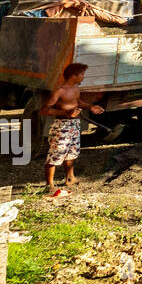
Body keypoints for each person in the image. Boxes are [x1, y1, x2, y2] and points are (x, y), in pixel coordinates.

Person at [39, 63, 103, 197]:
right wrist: (65, 113)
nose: (83, 77)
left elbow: (78, 102)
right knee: (56, 154)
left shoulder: (75, 88)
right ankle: (49, 185)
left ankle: (70, 178)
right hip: (61, 126)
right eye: (82, 75)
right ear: (73, 75)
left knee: (72, 153)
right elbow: (45, 110)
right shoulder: (59, 91)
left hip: (74, 125)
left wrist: (91, 107)